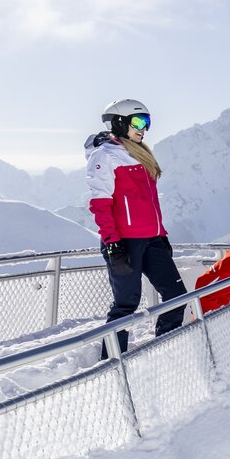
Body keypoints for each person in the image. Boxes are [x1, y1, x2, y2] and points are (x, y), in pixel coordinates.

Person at [86, 99, 187, 353]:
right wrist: (112, 245)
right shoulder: (105, 156)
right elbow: (101, 204)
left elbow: (150, 203)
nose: (144, 128)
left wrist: (161, 235)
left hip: (152, 240)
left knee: (177, 295)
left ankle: (164, 349)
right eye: (139, 122)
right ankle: (111, 364)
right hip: (124, 242)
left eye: (148, 122)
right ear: (119, 123)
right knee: (125, 305)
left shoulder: (139, 153)